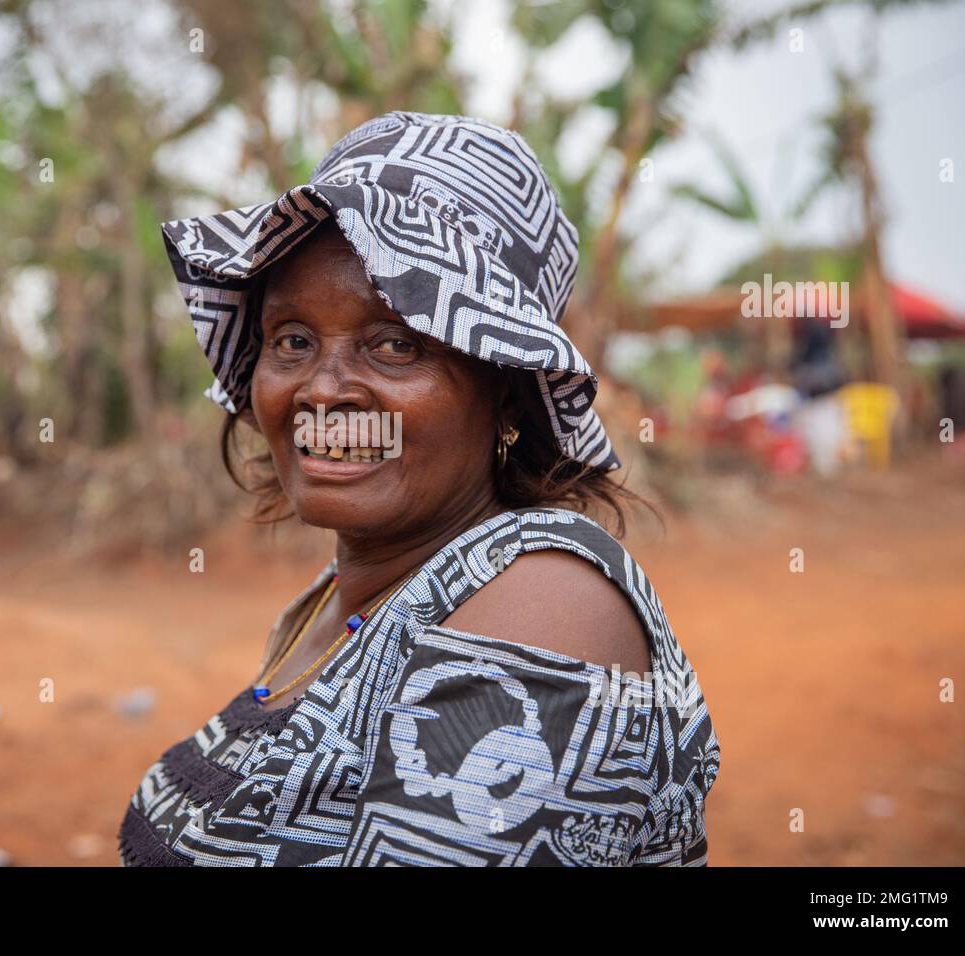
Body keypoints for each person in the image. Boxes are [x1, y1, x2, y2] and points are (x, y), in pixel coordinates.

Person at [119, 112, 719, 866]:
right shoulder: (335, 600)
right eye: (293, 340)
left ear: (505, 388)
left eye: (397, 344)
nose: (324, 390)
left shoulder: (542, 615)